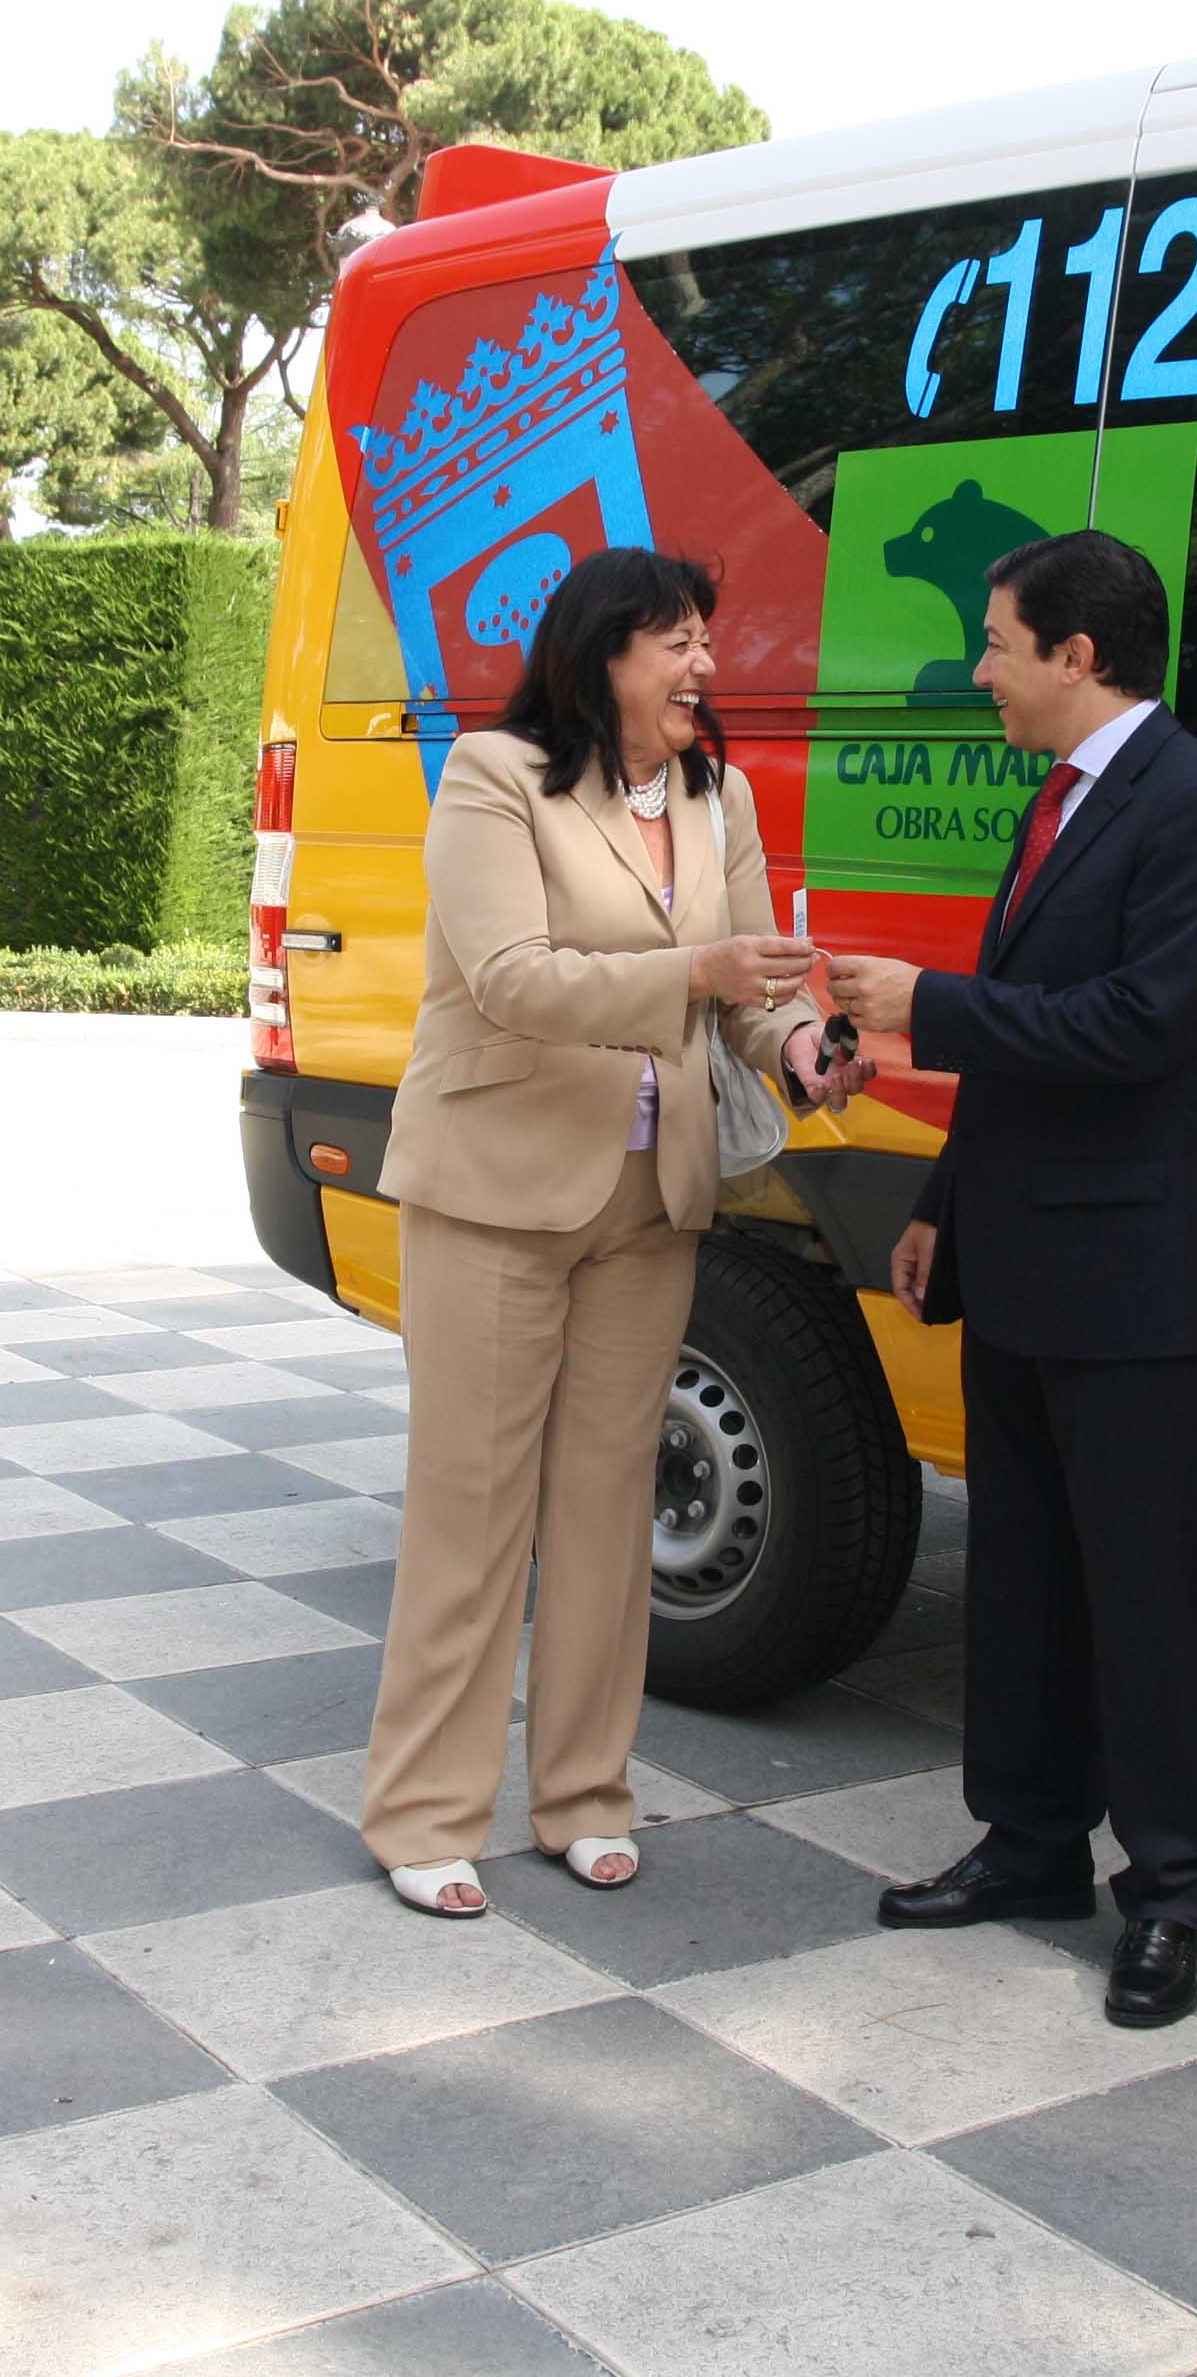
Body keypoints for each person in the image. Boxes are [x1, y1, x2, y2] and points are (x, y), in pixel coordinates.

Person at [362, 547, 869, 1918]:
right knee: (472, 1508)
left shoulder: (724, 795)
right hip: (497, 1186)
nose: (705, 666)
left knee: (604, 1508)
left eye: (707, 640)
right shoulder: (493, 777)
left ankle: (584, 1796)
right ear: (601, 655)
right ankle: (424, 1811)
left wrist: (803, 1041)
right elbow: (513, 979)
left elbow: (750, 986)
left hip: (655, 1197)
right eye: (677, 642)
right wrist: (690, 976)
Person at [827, 528, 1197, 2029]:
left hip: (1135, 1273)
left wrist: (925, 1009)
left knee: (1138, 1600)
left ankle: (1170, 1897)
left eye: (1001, 642)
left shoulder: (1195, 801)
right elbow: (1031, 1027)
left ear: (1080, 655)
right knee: (1020, 1582)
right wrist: (944, 1199)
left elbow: (1141, 1026)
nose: (981, 669)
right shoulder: (1058, 802)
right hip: (1018, 1255)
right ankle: (1027, 1847)